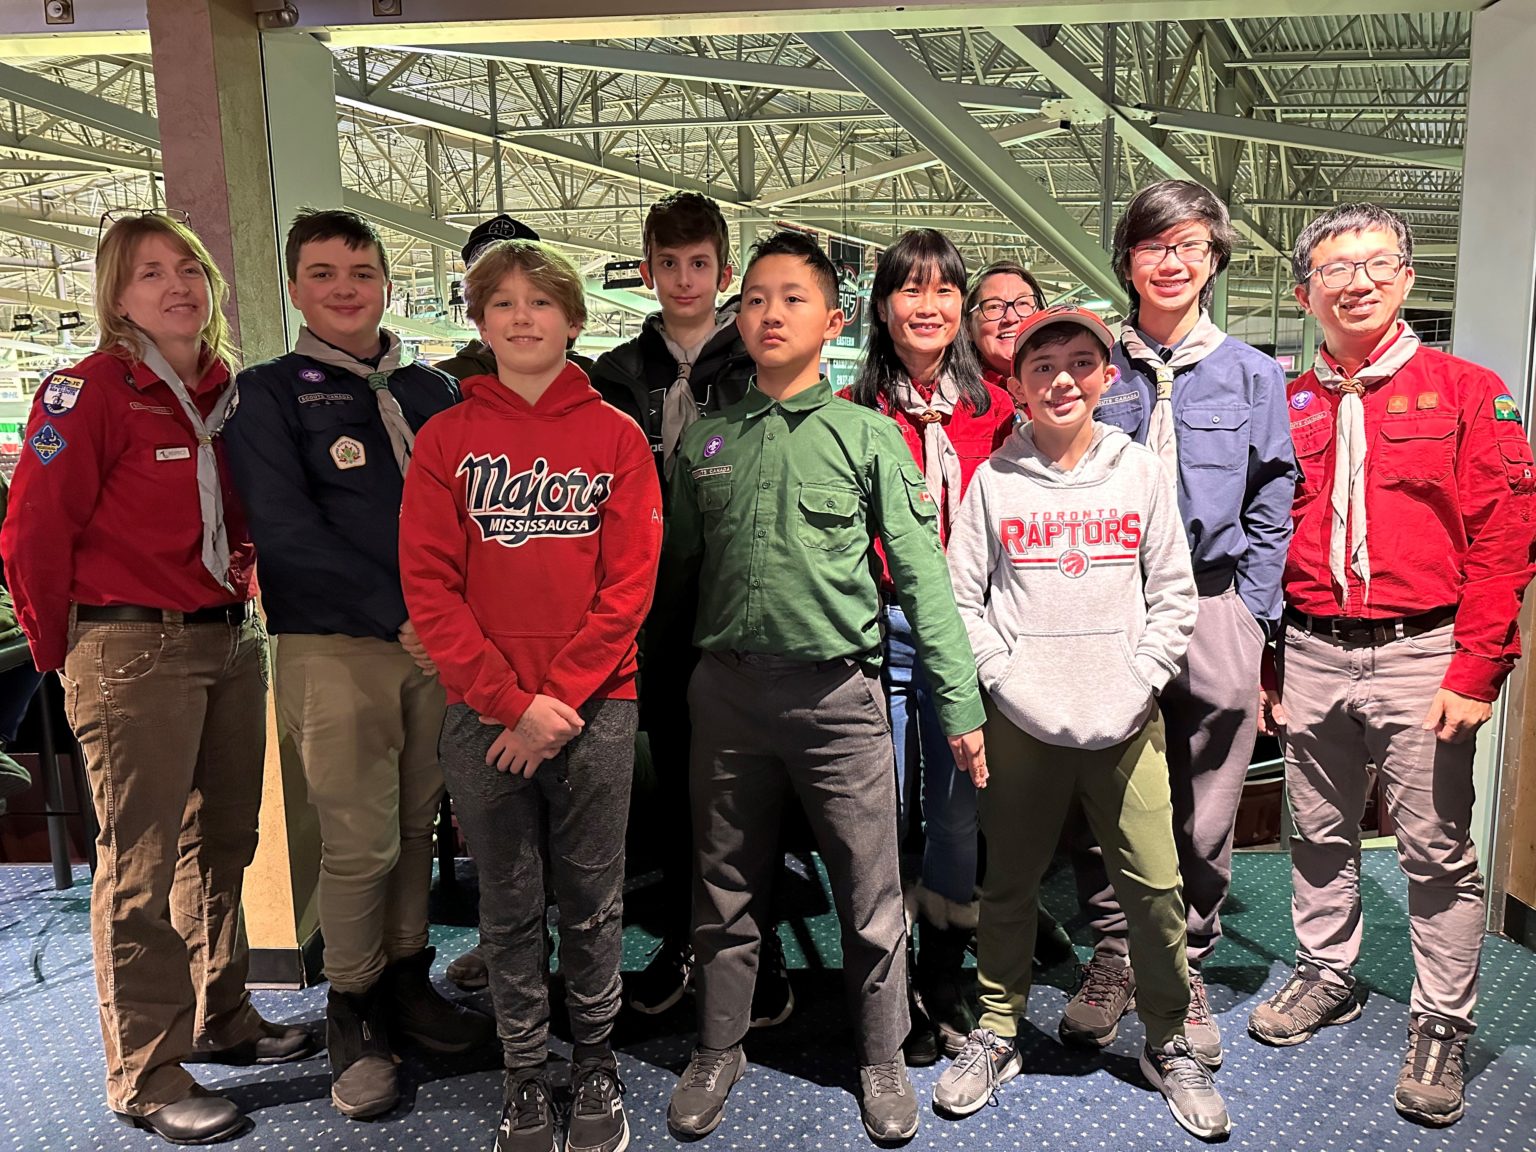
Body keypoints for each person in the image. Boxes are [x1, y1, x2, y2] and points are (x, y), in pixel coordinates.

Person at [658, 230, 986, 1145]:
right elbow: (676, 580)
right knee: (724, 885)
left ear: (834, 322)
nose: (770, 314)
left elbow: (923, 579)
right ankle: (719, 1044)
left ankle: (881, 1055)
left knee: (870, 893)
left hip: (839, 701)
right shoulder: (709, 441)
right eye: (756, 298)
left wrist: (959, 704)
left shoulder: (867, 436)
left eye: (793, 298)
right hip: (727, 698)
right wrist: (656, 698)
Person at [0, 211, 311, 1146]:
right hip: (131, 648)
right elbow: (32, 532)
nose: (177, 286)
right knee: (138, 868)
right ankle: (144, 1071)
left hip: (227, 639)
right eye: (149, 273)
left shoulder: (226, 397)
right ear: (116, 295)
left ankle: (221, 1014)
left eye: (189, 269)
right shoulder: (88, 392)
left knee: (223, 841)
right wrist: (62, 656)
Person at [1248, 203, 1536, 1128]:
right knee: (1317, 829)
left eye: (1377, 263)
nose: (1358, 282)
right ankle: (1325, 971)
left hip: (1423, 652)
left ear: (1407, 278)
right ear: (1306, 293)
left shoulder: (1467, 390)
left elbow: (1505, 537)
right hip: (1311, 646)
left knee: (1435, 850)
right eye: (1337, 269)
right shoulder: (1288, 402)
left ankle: (1442, 1020)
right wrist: (1270, 661)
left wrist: (1477, 667)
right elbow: (1266, 537)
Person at [222, 208, 491, 1120]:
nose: (346, 289)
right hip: (337, 646)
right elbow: (286, 532)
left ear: (387, 284)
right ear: (296, 289)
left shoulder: (429, 391)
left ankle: (410, 979)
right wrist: (403, 614)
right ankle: (356, 1007)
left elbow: (469, 514)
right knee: (359, 841)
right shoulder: (266, 396)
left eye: (362, 272)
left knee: (416, 827)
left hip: (432, 650)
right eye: (324, 273)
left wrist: (452, 620)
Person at [938, 304, 1231, 1141]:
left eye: (1079, 363)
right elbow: (964, 598)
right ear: (1018, 384)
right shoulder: (995, 480)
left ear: (1106, 377)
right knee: (1009, 886)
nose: (1061, 379)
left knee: (1156, 888)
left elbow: (1173, 592)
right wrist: (1004, 678)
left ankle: (1167, 1040)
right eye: (1042, 366)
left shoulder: (1138, 471)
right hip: (1021, 722)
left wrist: (1139, 678)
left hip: (1125, 719)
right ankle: (999, 1031)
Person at [399, 238, 662, 1152]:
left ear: (574, 321)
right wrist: (512, 705)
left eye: (540, 302)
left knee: (592, 901)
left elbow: (629, 587)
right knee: (507, 906)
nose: (522, 317)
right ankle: (523, 1072)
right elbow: (429, 586)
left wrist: (555, 704)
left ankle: (594, 1060)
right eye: (503, 303)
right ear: (479, 321)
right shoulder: (446, 440)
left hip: (596, 709)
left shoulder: (616, 436)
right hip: (486, 715)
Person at [1071, 180, 1296, 1066]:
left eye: (1190, 245)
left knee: (1207, 790)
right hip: (1109, 604)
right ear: (1127, 258)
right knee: (1105, 776)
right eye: (1153, 245)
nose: (1171, 262)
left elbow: (1273, 493)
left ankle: (1185, 955)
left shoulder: (1253, 374)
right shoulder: (1092, 364)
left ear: (1214, 261)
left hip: (1212, 600)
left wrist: (1251, 612)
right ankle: (1114, 949)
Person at [588, 191, 767, 1022]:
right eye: (669, 264)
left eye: (700, 264)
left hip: (738, 594)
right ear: (647, 269)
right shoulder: (616, 375)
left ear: (724, 272)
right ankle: (682, 933)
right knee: (667, 773)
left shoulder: (759, 361)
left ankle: (747, 938)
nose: (685, 279)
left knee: (742, 775)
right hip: (651, 602)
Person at [844, 228, 1014, 1063]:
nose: (928, 305)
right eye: (910, 289)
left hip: (966, 630)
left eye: (945, 290)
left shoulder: (995, 412)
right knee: (886, 809)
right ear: (883, 306)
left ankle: (945, 971)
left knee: (953, 811)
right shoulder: (851, 411)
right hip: (880, 628)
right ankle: (893, 972)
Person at [964, 259, 1046, 393]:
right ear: (967, 328)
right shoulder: (951, 398)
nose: (1011, 318)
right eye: (994, 306)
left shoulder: (1072, 383)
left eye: (1023, 303)